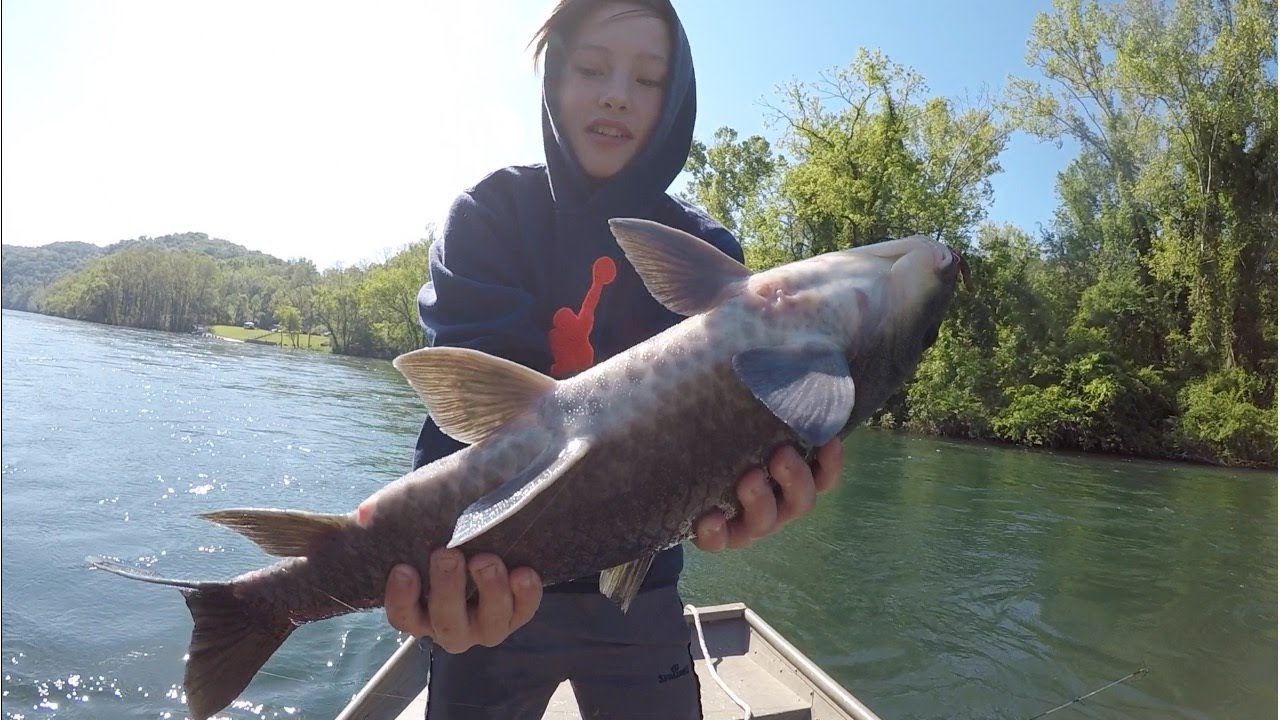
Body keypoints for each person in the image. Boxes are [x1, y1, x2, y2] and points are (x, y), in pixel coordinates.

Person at [382, 1, 843, 717]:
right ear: (555, 79)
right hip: (484, 584)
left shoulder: (708, 257)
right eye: (593, 69)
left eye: (648, 79)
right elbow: (480, 428)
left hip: (641, 591)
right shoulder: (490, 214)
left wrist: (751, 488)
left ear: (675, 98)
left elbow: (730, 433)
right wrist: (443, 565)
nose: (617, 95)